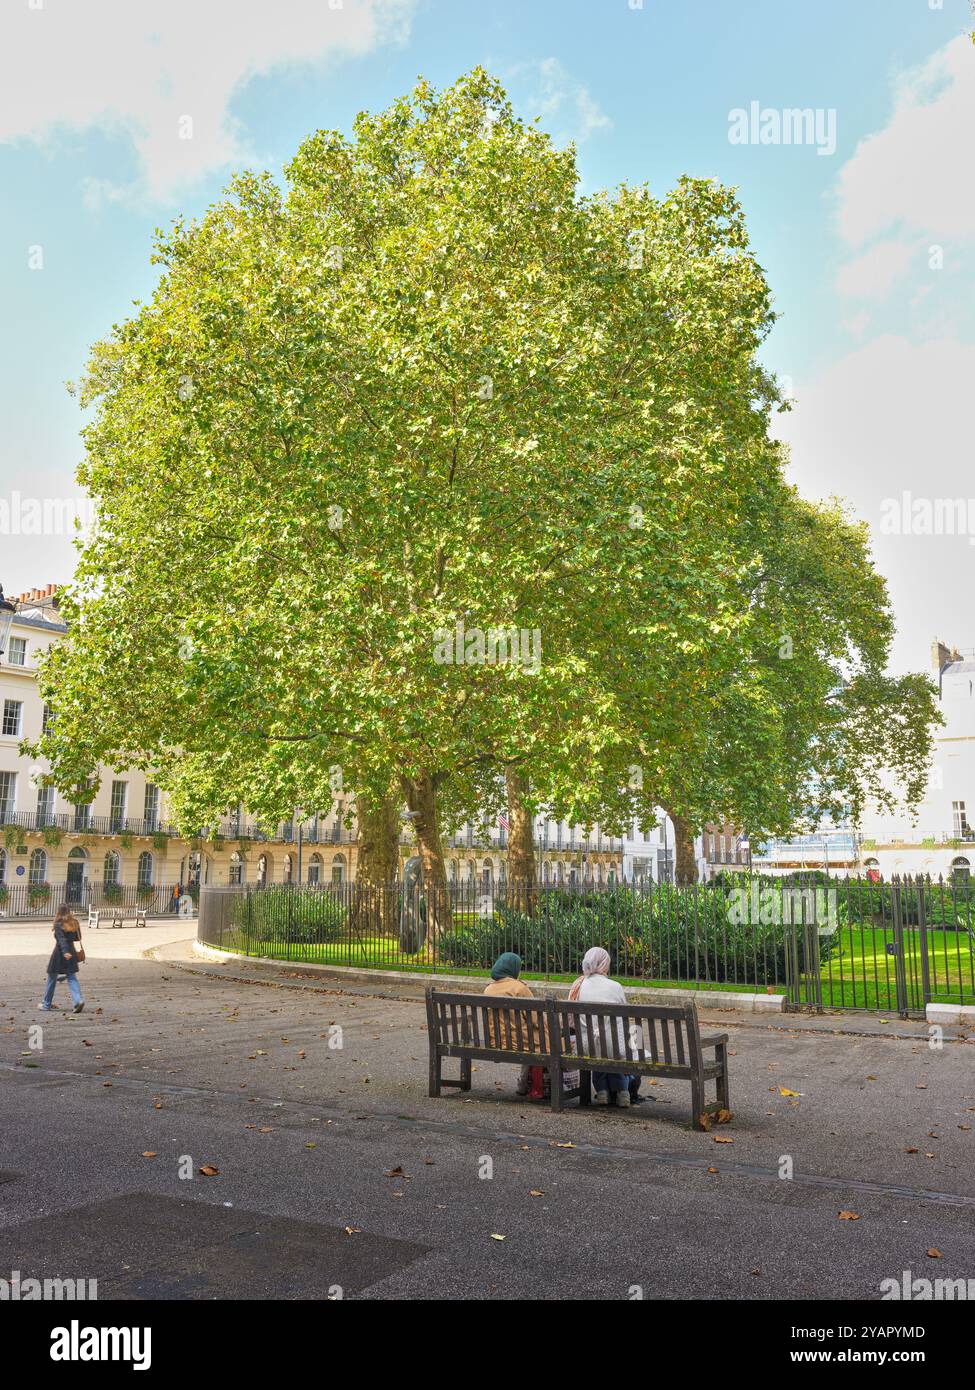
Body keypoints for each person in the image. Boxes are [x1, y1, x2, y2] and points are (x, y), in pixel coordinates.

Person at [570, 946, 635, 1107]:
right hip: (613, 1048)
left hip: (585, 1047)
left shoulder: (578, 985)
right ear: (605, 964)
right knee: (616, 1046)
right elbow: (624, 1017)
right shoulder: (615, 986)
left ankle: (602, 1092)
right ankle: (623, 1092)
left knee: (598, 1047)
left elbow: (571, 1021)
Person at [484, 952, 535, 1096]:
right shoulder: (520, 988)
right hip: (519, 1042)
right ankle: (526, 1084)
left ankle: (524, 1084)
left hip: (495, 1041)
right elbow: (535, 1019)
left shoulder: (488, 989)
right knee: (545, 1040)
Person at [40, 904, 85, 1013]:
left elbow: (61, 940)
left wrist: (65, 952)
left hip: (59, 954)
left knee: (51, 978)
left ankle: (46, 1004)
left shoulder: (58, 924)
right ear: (69, 912)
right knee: (72, 977)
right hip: (72, 952)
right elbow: (78, 938)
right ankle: (78, 1001)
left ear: (58, 912)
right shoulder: (74, 922)